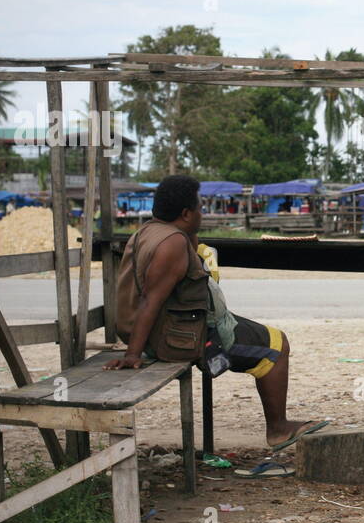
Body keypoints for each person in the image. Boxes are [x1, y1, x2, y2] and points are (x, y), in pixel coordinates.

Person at [107, 175, 329, 451]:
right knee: (277, 344)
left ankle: (279, 426)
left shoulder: (152, 231)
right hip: (180, 339)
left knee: (264, 336)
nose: (203, 212)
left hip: (180, 325)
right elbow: (150, 301)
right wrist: (132, 355)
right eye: (199, 207)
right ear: (186, 213)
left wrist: (191, 230)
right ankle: (278, 430)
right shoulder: (171, 245)